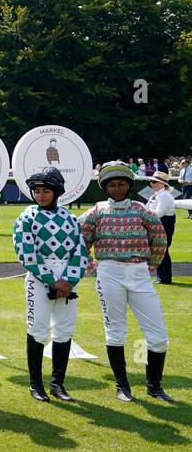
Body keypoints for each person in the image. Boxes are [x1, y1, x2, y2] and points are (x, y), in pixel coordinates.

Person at [81, 162, 172, 402]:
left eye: (121, 184)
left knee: (158, 336)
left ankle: (154, 387)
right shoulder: (97, 211)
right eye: (112, 185)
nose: (117, 189)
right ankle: (122, 386)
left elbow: (159, 237)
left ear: (129, 185)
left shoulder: (142, 210)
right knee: (115, 331)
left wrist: (152, 263)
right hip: (109, 273)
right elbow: (80, 241)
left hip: (140, 274)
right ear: (105, 187)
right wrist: (93, 268)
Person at [12, 167, 87, 402]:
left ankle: (58, 384)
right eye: (36, 191)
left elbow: (81, 250)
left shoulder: (71, 219)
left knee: (64, 330)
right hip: (39, 278)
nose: (41, 195)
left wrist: (68, 281)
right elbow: (26, 254)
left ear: (56, 192)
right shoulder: (26, 217)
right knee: (38, 329)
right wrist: (52, 281)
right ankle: (36, 385)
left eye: (46, 191)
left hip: (67, 277)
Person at [144, 171, 177, 286]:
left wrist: (146, 216)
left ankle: (165, 278)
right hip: (159, 222)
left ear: (163, 184)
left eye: (155, 182)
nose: (152, 184)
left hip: (164, 222)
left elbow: (159, 212)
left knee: (163, 250)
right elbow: (147, 208)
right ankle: (161, 277)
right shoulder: (157, 194)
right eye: (151, 181)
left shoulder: (164, 195)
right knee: (160, 249)